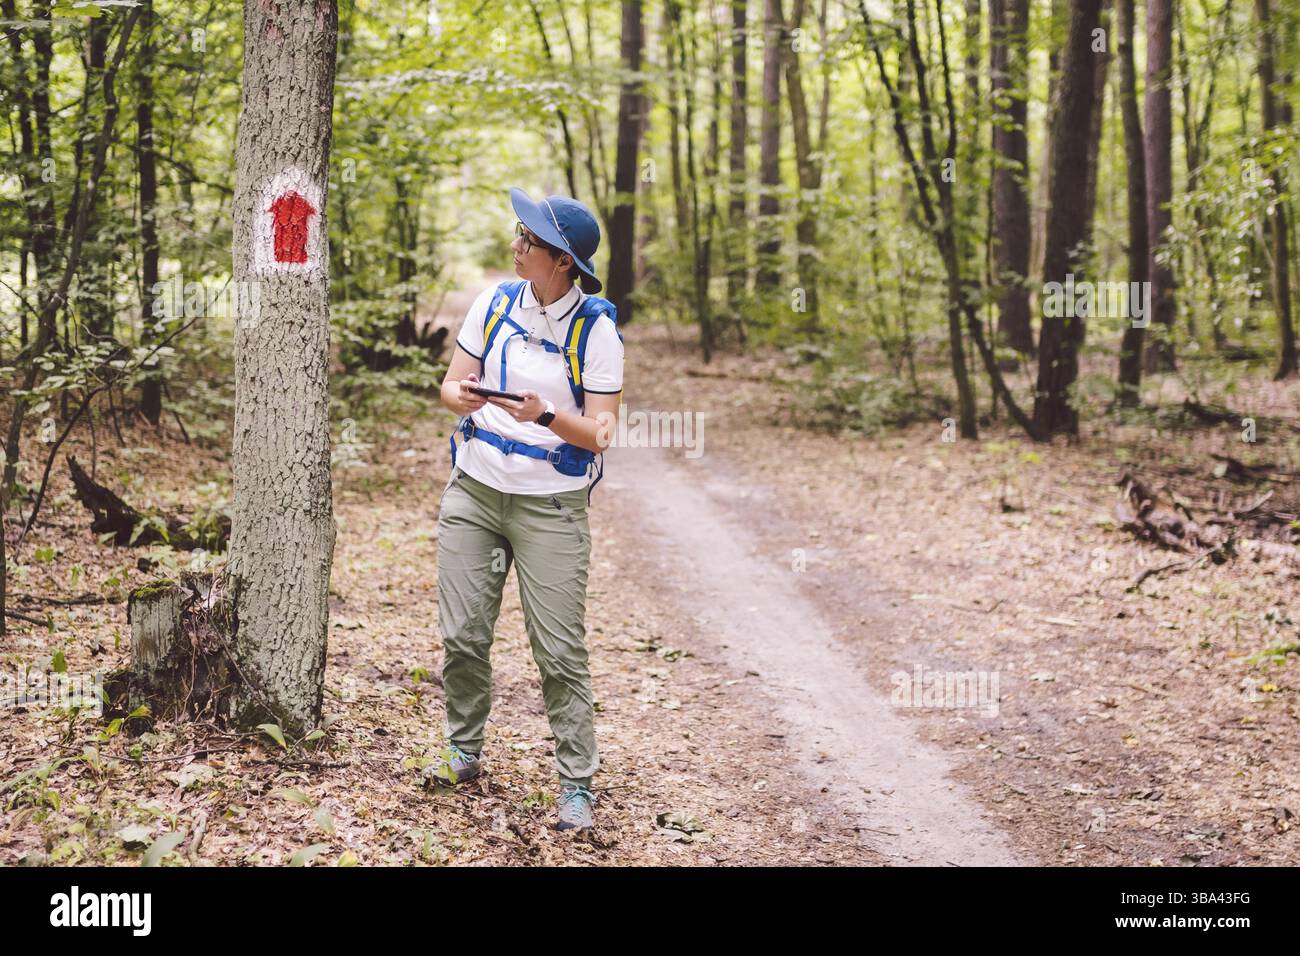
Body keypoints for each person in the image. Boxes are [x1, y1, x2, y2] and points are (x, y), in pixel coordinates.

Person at [429, 186, 623, 832]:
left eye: (529, 239)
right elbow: (451, 384)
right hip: (476, 491)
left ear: (563, 262)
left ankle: (576, 787)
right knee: (462, 635)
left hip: (552, 507)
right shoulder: (495, 302)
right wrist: (467, 397)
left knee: (560, 652)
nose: (516, 244)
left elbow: (601, 434)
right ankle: (463, 751)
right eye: (519, 231)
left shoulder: (597, 332)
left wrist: (545, 415)